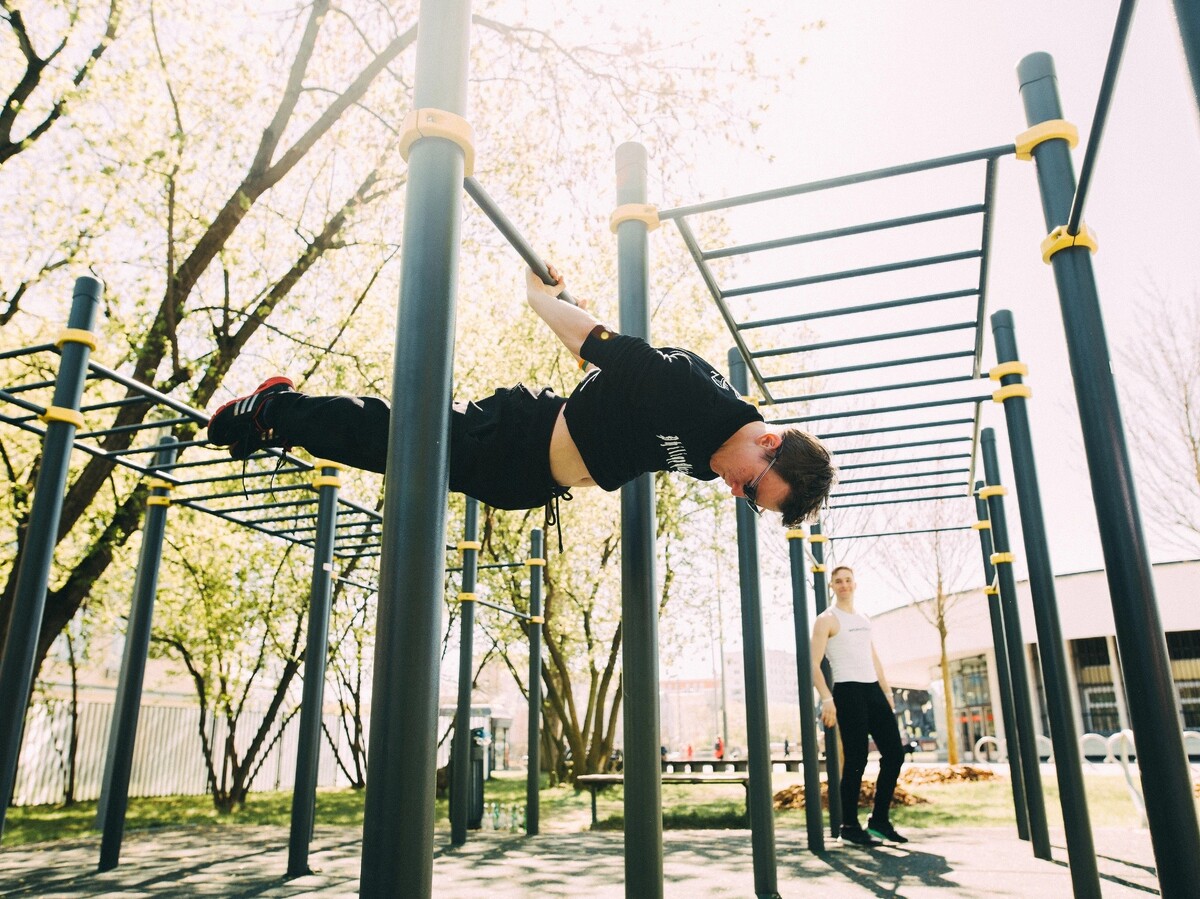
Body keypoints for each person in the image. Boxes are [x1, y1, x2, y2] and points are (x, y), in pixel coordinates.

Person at [206, 267, 835, 528]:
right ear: (770, 443)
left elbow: (611, 390)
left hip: (532, 481)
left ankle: (283, 418)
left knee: (406, 459)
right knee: (403, 440)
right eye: (753, 488)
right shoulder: (693, 393)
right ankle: (275, 412)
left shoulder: (710, 459)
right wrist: (543, 301)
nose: (736, 492)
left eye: (750, 501)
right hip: (520, 437)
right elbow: (601, 347)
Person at [811, 564, 908, 846]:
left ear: (855, 584)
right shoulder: (827, 619)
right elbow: (813, 665)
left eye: (848, 580)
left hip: (873, 691)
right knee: (856, 760)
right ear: (832, 586)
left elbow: (873, 658)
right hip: (847, 691)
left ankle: (879, 820)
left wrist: (888, 693)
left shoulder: (865, 619)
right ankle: (850, 825)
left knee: (895, 754)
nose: (844, 585)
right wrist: (827, 698)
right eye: (838, 581)